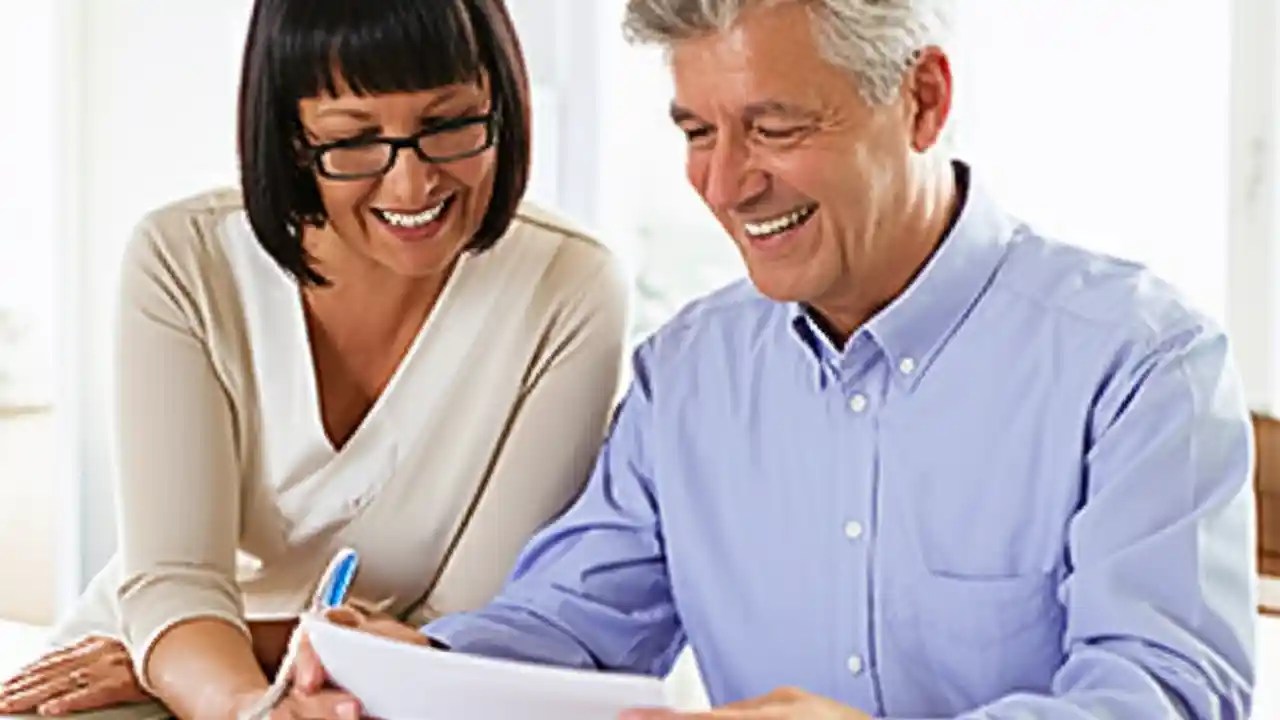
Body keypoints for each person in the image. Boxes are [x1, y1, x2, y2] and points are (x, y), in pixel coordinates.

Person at [286, 0, 1258, 719]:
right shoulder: (687, 377)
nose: (724, 182)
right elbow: (570, 625)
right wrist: (414, 665)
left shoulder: (1138, 364)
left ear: (921, 100)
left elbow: (1162, 695)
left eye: (774, 128)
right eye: (698, 132)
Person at [0, 0, 630, 718]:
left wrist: (247, 660)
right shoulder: (185, 260)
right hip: (158, 666)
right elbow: (175, 580)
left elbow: (464, 628)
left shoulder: (569, 289)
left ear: (502, 108)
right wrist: (242, 701)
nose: (412, 185)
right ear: (293, 138)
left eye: (449, 125)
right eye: (354, 139)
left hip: (372, 684)